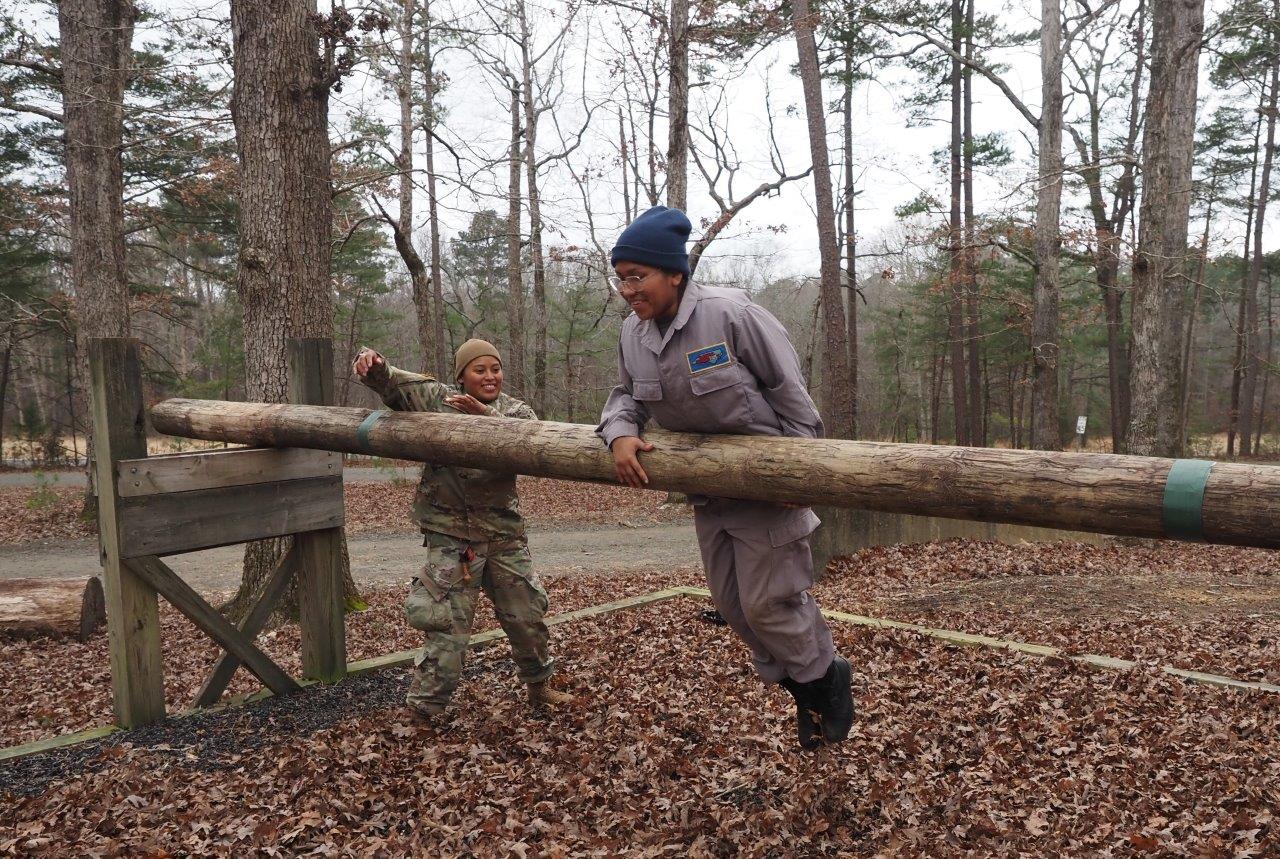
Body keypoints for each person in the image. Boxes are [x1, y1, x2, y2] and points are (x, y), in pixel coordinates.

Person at [596, 206, 854, 750]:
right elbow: (625, 397)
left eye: (638, 276)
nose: (627, 290)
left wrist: (799, 474)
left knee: (769, 604)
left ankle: (825, 682)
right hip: (709, 495)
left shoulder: (731, 314)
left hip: (767, 491)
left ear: (674, 273)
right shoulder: (633, 334)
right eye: (621, 278)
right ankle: (804, 685)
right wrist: (619, 433)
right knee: (734, 608)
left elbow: (792, 397)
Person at [353, 339, 574, 721]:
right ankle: (424, 711)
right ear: (461, 376)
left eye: (495, 369)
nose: (490, 377)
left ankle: (539, 687)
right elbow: (395, 386)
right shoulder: (439, 400)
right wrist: (373, 364)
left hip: (502, 535)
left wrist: (487, 418)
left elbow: (533, 441)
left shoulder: (516, 411)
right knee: (445, 627)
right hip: (451, 538)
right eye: (479, 370)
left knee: (527, 617)